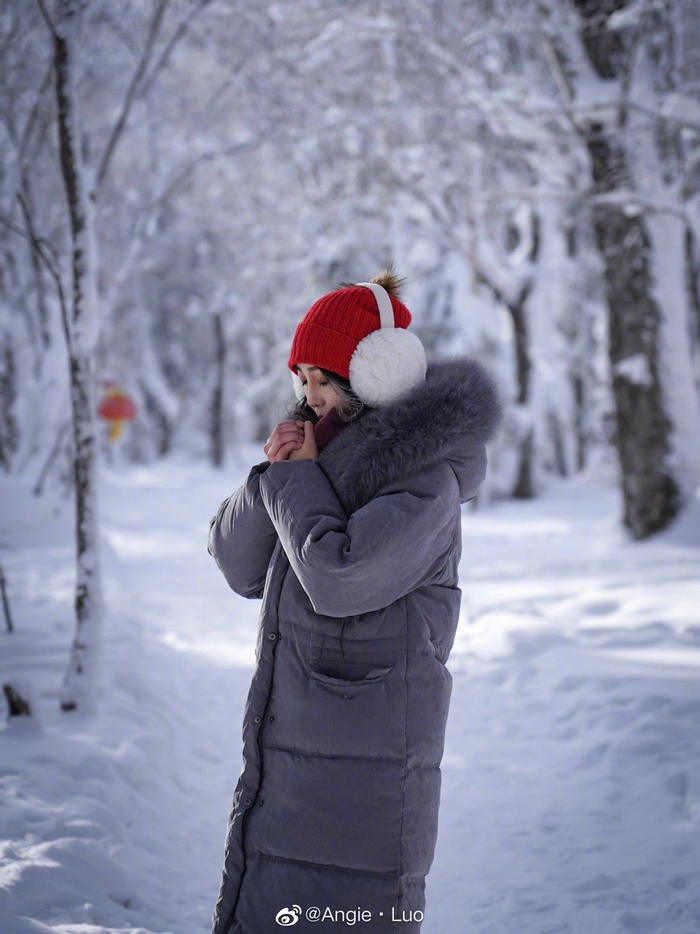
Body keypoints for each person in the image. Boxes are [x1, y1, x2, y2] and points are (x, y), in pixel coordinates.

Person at [207, 266, 503, 934]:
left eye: (324, 381)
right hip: (298, 738)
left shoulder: (429, 478)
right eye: (301, 379)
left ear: (377, 376)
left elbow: (341, 577)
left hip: (368, 750)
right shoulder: (315, 454)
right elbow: (237, 566)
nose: (309, 397)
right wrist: (270, 483)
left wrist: (296, 482)